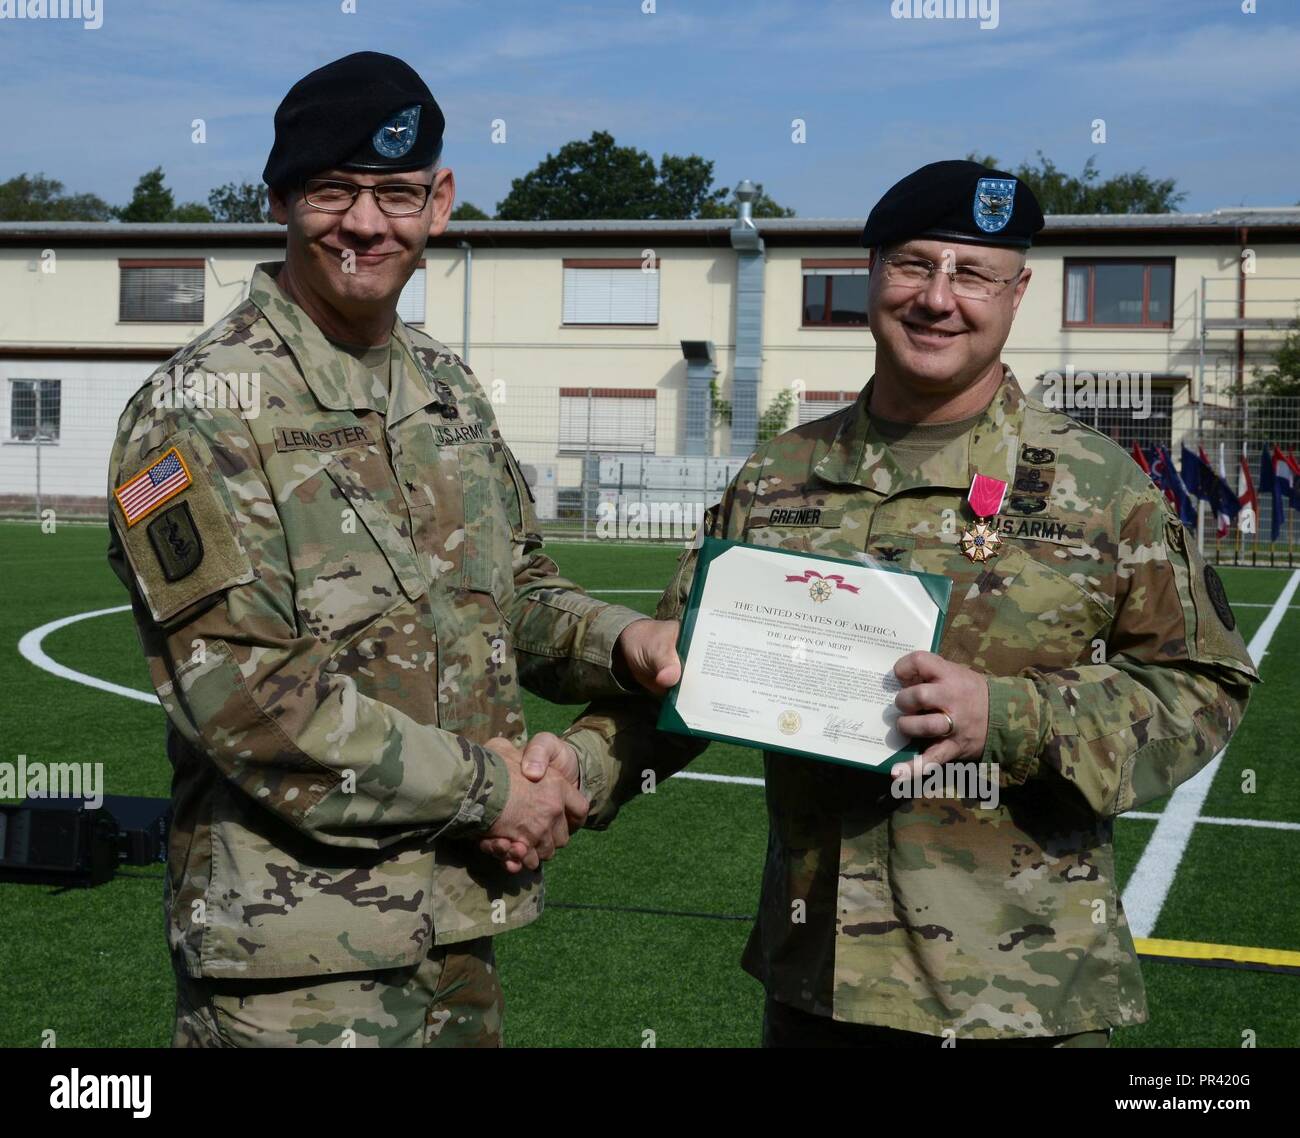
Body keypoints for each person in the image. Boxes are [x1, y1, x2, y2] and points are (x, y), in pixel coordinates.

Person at [494, 160, 1261, 1047]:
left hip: (1024, 1000)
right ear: (871, 277)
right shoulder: (778, 478)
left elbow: (1204, 686)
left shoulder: (1100, 488)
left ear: (1017, 294)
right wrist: (576, 775)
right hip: (819, 986)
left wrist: (1006, 716)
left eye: (972, 273)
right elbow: (688, 675)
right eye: (913, 265)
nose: (939, 298)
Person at [106, 51, 677, 1048]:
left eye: (396, 193)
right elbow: (246, 700)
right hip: (293, 965)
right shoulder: (199, 409)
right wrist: (501, 790)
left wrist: (627, 642)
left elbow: (518, 593)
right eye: (333, 191)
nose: (365, 223)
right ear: (278, 197)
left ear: (439, 201)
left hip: (458, 930)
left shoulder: (446, 388)